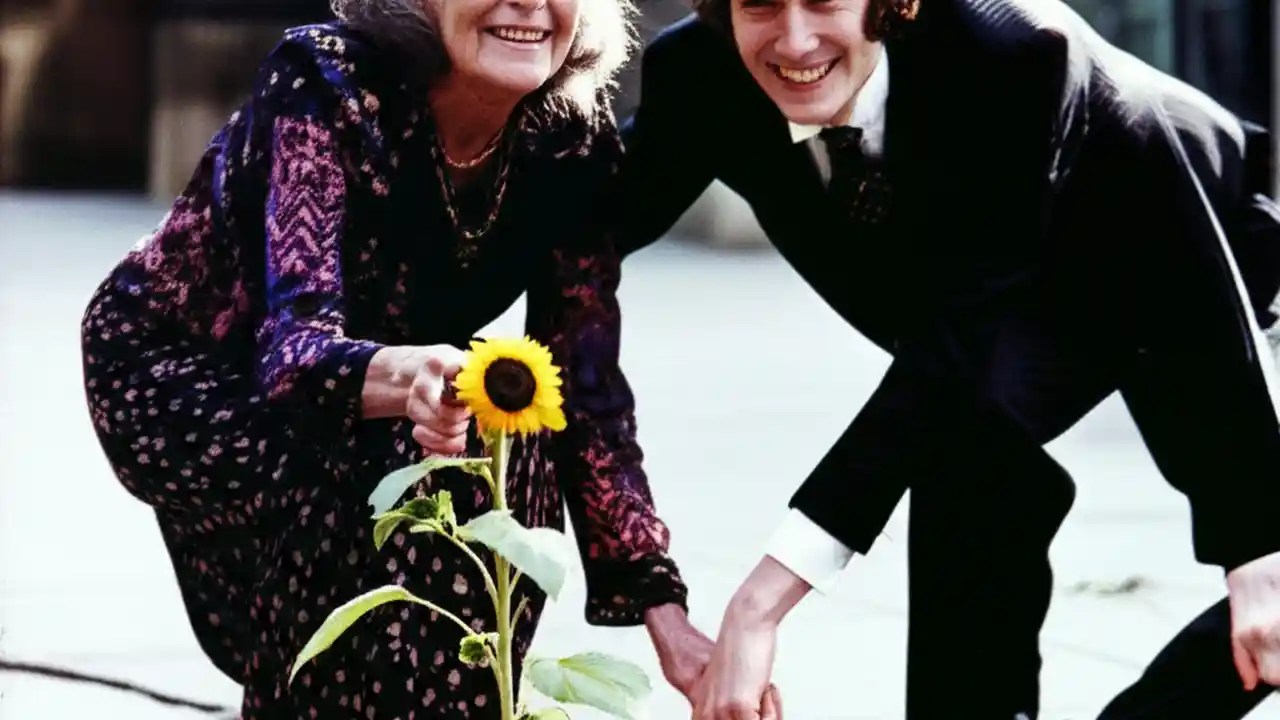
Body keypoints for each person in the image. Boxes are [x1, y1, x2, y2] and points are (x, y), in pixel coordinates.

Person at [613, 0, 1280, 717]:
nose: (796, 39)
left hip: (1192, 247)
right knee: (959, 435)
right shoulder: (699, 73)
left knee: (1273, 591)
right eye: (762, 4)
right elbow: (585, 224)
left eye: (826, 0)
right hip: (1004, 306)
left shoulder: (1011, 49)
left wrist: (1254, 541)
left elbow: (960, 344)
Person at [78, 0, 714, 716]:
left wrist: (669, 616)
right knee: (366, 503)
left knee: (513, 437)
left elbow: (582, 387)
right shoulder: (329, 80)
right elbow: (295, 349)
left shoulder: (573, 137)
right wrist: (412, 377)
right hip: (181, 369)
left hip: (381, 379)